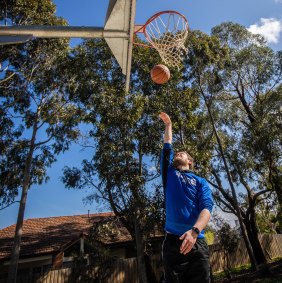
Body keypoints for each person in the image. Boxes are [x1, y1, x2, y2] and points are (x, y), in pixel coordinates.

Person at [159, 112, 214, 283]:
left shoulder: (200, 181)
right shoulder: (169, 174)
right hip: (173, 244)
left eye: (182, 154)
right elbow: (167, 147)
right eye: (177, 154)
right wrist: (169, 125)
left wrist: (195, 231)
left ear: (189, 162)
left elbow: (207, 208)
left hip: (197, 242)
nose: (178, 155)